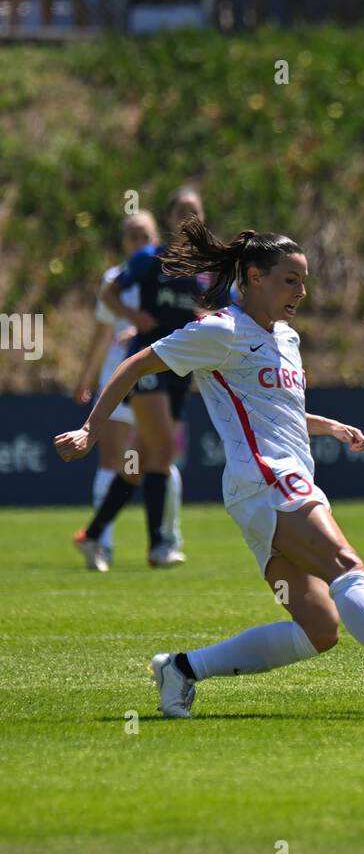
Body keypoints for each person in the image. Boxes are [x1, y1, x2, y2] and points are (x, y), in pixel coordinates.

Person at [54, 220, 364, 721]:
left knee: (320, 629)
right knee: (346, 565)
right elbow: (134, 364)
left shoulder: (287, 338)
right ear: (255, 277)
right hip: (268, 479)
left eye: (304, 282)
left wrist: (328, 427)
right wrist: (90, 429)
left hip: (262, 491)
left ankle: (181, 669)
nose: (300, 292)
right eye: (290, 280)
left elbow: (275, 408)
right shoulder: (220, 330)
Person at [80, 188, 207, 569]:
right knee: (163, 451)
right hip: (148, 365)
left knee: (139, 458)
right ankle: (158, 545)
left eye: (195, 211)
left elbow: (200, 309)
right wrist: (134, 319)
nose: (189, 218)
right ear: (169, 220)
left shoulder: (201, 269)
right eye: (182, 211)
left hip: (179, 371)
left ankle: (92, 535)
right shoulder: (151, 258)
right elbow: (109, 290)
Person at [71, 211, 160, 566]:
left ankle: (166, 538)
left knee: (155, 457)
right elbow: (102, 334)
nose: (138, 242)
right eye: (132, 236)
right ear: (123, 242)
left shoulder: (166, 275)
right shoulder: (115, 279)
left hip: (158, 378)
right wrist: (85, 377)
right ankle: (101, 545)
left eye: (144, 235)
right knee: (111, 458)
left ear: (156, 238)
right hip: (120, 378)